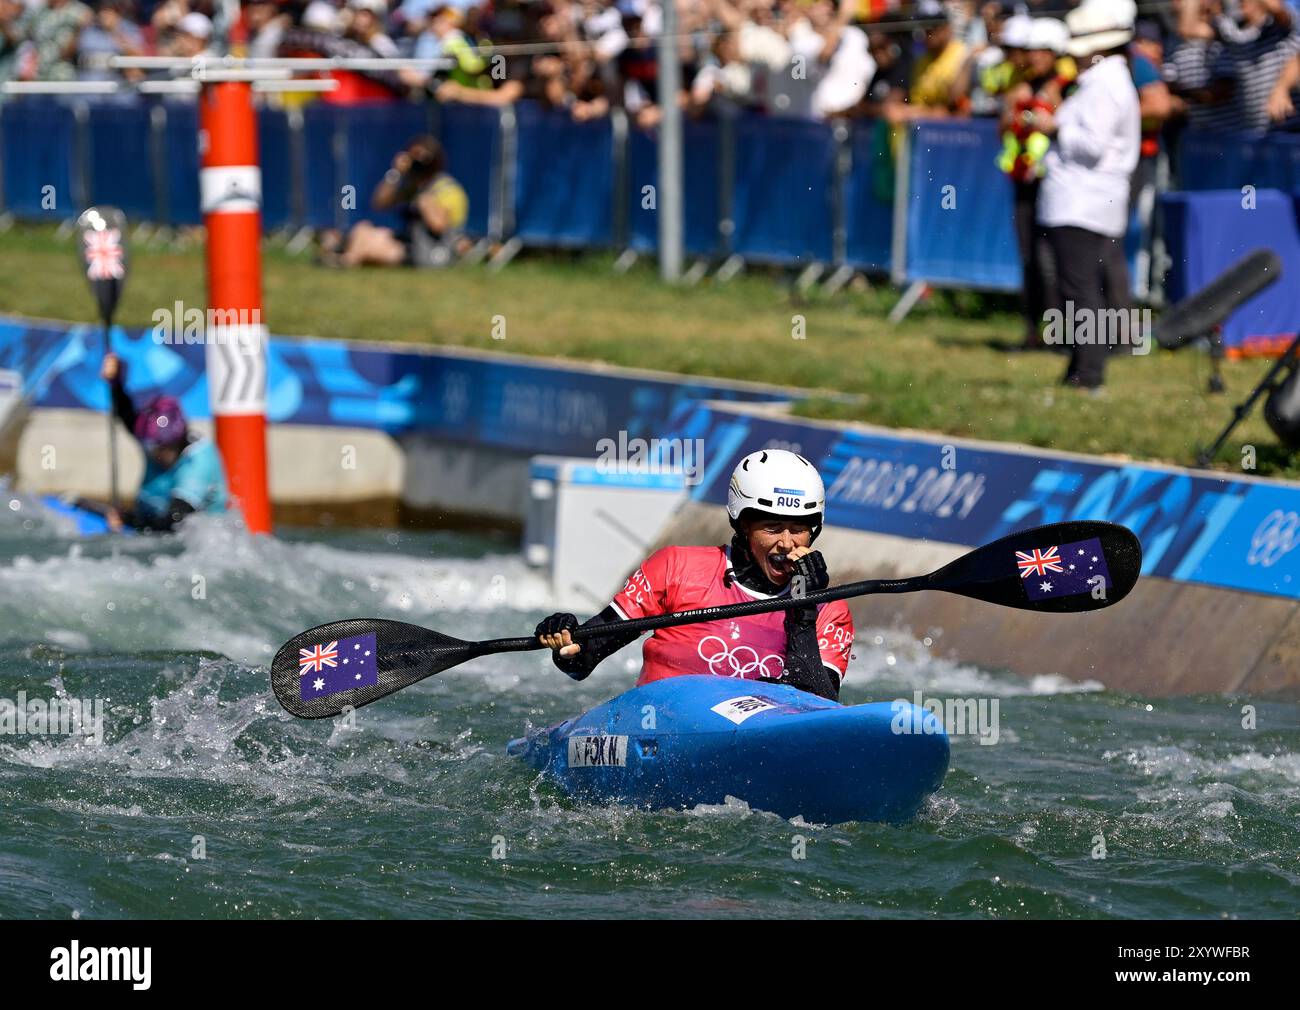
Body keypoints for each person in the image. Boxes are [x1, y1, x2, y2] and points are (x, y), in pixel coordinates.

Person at [535, 449, 855, 702]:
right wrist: (566, 641)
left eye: (799, 529)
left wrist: (804, 611)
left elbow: (815, 710)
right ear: (742, 526)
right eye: (772, 528)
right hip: (660, 731)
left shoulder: (830, 610)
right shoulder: (676, 568)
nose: (787, 543)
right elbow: (581, 661)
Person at [1035, 0, 1140, 391]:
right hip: (1083, 198)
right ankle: (1080, 367)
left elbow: (1093, 145)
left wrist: (1054, 127)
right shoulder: (1103, 81)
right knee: (1078, 286)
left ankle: (1089, 371)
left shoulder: (1106, 85)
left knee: (1081, 288)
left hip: (1084, 198)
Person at [95, 352, 228, 532]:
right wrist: (115, 382)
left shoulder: (197, 463)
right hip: (149, 524)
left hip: (189, 540)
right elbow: (126, 414)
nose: (154, 452)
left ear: (178, 441)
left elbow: (174, 522)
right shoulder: (153, 440)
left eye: (161, 448)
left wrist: (126, 519)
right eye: (150, 445)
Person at [322, 135, 469, 267]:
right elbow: (380, 203)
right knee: (363, 228)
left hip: (434, 251)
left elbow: (438, 225)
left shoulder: (447, 189)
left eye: (422, 160)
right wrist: (395, 173)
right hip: (411, 244)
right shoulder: (412, 187)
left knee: (376, 246)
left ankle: (346, 260)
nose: (418, 164)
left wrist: (423, 197)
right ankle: (345, 256)